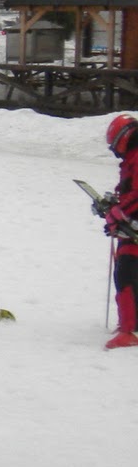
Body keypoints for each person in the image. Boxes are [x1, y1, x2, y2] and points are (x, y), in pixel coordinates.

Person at [97, 114, 138, 349]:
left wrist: (118, 212)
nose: (115, 153)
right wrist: (114, 205)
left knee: (126, 273)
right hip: (130, 225)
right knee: (127, 270)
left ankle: (129, 330)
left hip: (133, 226)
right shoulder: (132, 157)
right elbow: (128, 189)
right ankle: (130, 324)